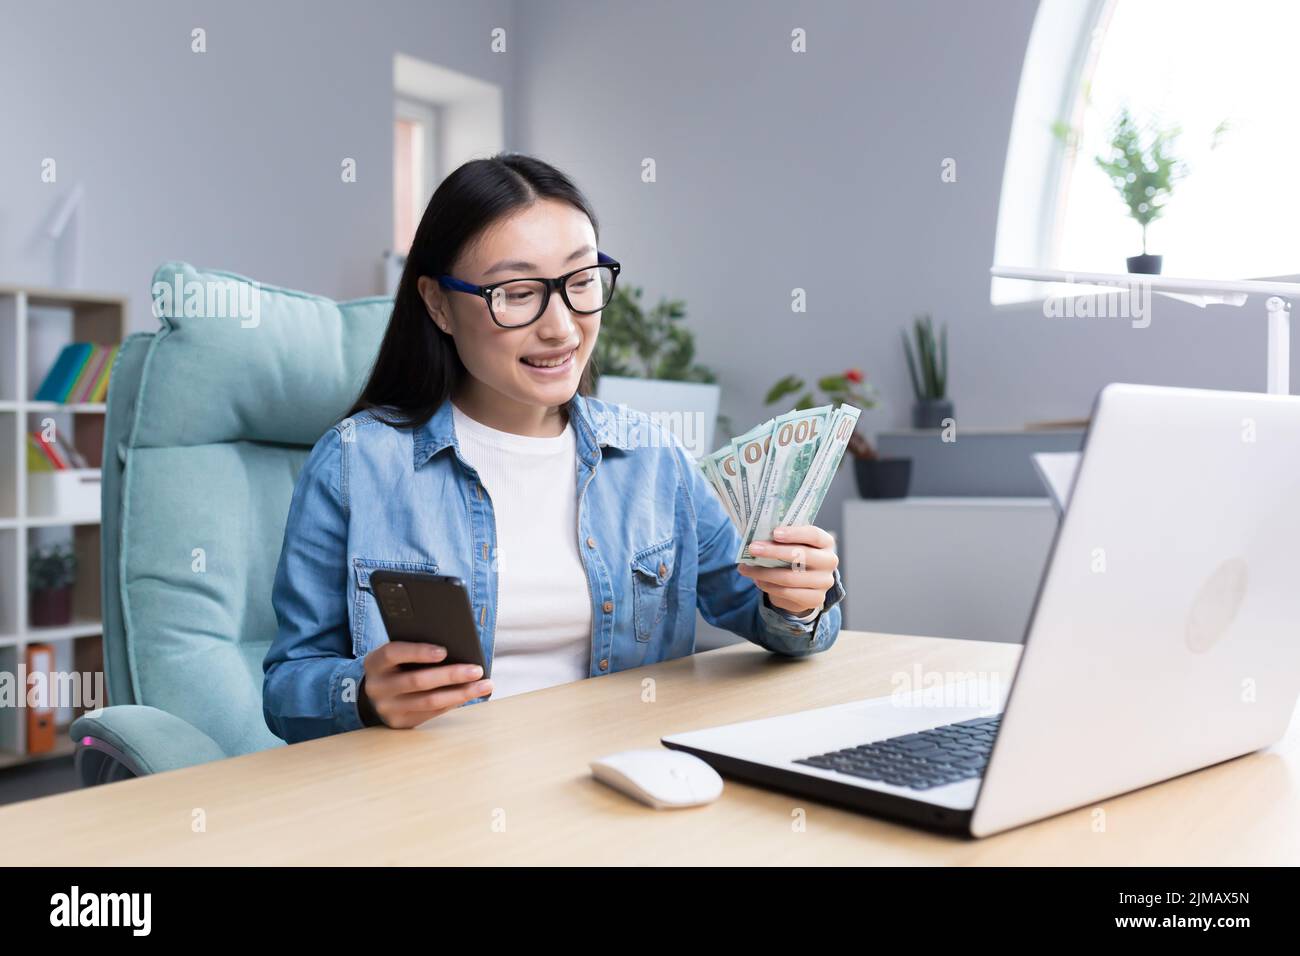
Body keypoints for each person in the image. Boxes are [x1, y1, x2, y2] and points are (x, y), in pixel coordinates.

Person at [263, 153, 845, 743]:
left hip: (620, 783)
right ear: (438, 303)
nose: (562, 328)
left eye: (581, 281)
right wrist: (362, 694)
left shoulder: (651, 459)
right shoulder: (355, 464)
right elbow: (287, 689)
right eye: (517, 293)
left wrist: (798, 597)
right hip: (437, 806)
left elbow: (771, 620)